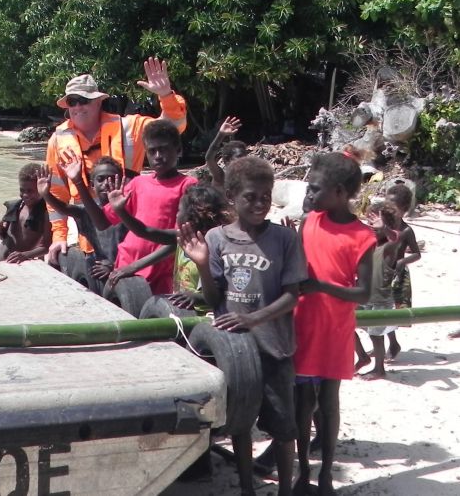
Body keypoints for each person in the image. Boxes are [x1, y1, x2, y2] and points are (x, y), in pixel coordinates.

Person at [178, 156, 305, 496]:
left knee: (283, 427)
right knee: (240, 423)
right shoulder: (217, 238)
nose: (260, 203)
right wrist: (203, 265)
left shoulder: (285, 240)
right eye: (251, 196)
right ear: (232, 196)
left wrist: (254, 318)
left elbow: (292, 296)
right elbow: (213, 295)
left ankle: (284, 491)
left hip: (275, 348)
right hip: (234, 350)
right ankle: (247, 487)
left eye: (266, 195)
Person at [45, 56, 188, 264]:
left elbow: (174, 127)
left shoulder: (129, 127)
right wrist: (59, 236)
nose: (77, 107)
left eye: (83, 100)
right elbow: (56, 192)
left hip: (132, 234)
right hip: (90, 239)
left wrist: (166, 95)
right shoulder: (58, 140)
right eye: (71, 102)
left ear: (98, 101)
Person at [294, 151, 375, 496]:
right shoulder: (309, 221)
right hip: (302, 326)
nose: (309, 196)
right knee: (301, 404)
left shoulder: (363, 236)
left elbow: (363, 293)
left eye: (316, 189)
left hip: (334, 332)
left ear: (341, 192)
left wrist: (322, 287)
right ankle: (302, 472)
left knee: (327, 404)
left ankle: (325, 474)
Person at [103, 119, 197, 295]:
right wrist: (78, 183)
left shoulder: (188, 185)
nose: (158, 156)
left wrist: (134, 267)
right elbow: (103, 222)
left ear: (178, 150)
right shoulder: (138, 183)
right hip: (124, 265)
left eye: (164, 149)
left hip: (160, 272)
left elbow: (178, 239)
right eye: (152, 151)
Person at [109, 184, 232, 312]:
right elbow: (145, 231)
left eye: (178, 210)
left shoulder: (215, 246)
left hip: (207, 317)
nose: (176, 215)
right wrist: (120, 211)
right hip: (182, 311)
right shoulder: (183, 238)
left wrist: (196, 297)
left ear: (191, 217)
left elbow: (222, 293)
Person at [37, 154, 126, 290]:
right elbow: (65, 208)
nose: (105, 184)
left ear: (121, 182)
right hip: (100, 271)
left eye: (111, 179)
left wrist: (115, 266)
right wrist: (46, 194)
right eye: (100, 180)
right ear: (92, 185)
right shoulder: (88, 211)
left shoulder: (128, 212)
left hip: (125, 272)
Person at [355, 201, 403, 379]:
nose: (372, 226)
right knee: (346, 324)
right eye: (370, 222)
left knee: (376, 336)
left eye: (377, 223)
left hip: (380, 300)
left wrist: (385, 229)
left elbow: (396, 239)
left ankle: (379, 369)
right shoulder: (369, 246)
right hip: (363, 297)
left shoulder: (388, 248)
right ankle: (362, 356)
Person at [0, 163, 51, 263]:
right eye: (22, 190)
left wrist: (24, 255)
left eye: (30, 191)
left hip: (24, 263)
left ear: (41, 188)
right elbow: (3, 234)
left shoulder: (45, 213)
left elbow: (46, 247)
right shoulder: (15, 207)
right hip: (2, 260)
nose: (25, 195)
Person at [385, 183, 421, 314]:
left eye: (392, 206)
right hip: (381, 272)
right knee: (377, 310)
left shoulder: (406, 231)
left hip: (398, 273)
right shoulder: (381, 226)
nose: (387, 209)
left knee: (399, 313)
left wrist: (402, 262)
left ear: (404, 209)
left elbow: (417, 254)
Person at [205, 116, 248, 190]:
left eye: (245, 158)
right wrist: (221, 134)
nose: (243, 161)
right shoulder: (221, 177)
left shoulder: (245, 180)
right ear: (226, 161)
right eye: (239, 157)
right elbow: (209, 158)